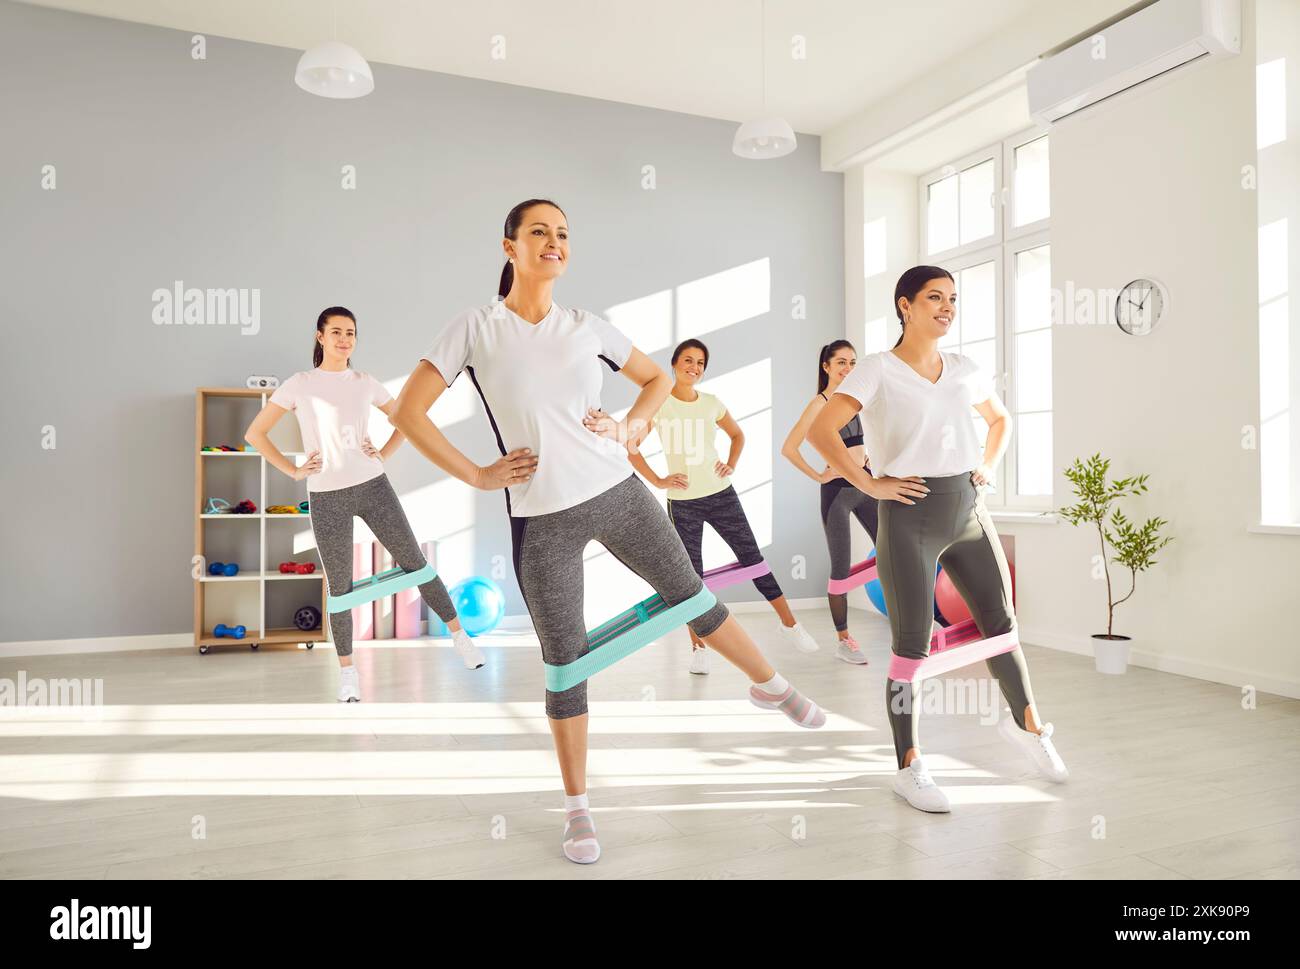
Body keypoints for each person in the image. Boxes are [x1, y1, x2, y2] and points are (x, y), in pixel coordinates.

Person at [390, 199, 826, 864]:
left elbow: (653, 380)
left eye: (563, 234)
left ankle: (772, 684)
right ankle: (578, 812)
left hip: (618, 490)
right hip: (542, 516)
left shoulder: (585, 324)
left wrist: (629, 429)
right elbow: (410, 411)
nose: (553, 242)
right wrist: (478, 475)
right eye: (539, 232)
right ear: (510, 246)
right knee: (565, 662)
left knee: (692, 593)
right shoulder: (476, 328)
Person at [808, 266, 1068, 813]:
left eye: (953, 298)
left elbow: (1000, 421)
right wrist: (869, 482)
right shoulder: (876, 370)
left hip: (969, 511)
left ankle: (1030, 728)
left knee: (1002, 628)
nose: (947, 307)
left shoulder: (965, 368)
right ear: (905, 305)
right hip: (908, 518)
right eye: (934, 298)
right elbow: (820, 431)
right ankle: (909, 766)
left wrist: (988, 466)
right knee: (911, 648)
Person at [244, 306, 482, 702]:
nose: (344, 339)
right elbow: (255, 433)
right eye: (336, 331)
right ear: (320, 336)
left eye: (350, 333)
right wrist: (293, 470)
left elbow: (407, 416)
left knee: (415, 564)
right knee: (340, 588)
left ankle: (460, 637)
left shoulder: (364, 382)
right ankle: (348, 673)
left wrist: (383, 453)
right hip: (326, 496)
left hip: (373, 486)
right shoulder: (299, 384)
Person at [629, 337, 820, 675]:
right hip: (683, 503)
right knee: (691, 578)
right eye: (688, 360)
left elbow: (737, 435)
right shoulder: (659, 404)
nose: (694, 367)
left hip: (721, 495)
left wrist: (730, 463)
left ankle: (789, 624)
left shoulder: (711, 403)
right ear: (674, 364)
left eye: (700, 363)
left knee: (754, 560)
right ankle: (698, 647)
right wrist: (659, 480)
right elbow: (632, 446)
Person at [781, 340, 877, 664]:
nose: (848, 369)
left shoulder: (856, 401)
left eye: (853, 363)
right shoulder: (819, 403)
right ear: (826, 367)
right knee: (840, 569)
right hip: (837, 494)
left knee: (890, 550)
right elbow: (790, 447)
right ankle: (844, 640)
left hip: (865, 486)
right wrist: (818, 475)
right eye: (841, 363)